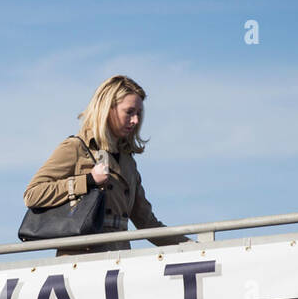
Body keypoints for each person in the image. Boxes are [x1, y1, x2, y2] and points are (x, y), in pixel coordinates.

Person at [24, 75, 189, 255]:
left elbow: (147, 222)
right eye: (129, 112)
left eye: (139, 114)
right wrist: (88, 180)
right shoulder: (76, 147)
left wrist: (192, 247)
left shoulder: (128, 162)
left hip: (118, 261)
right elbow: (32, 195)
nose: (135, 120)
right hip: (79, 262)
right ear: (107, 109)